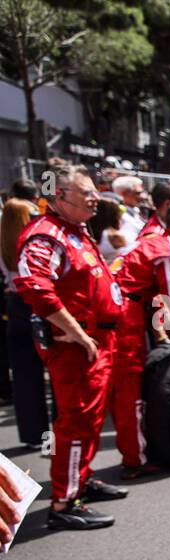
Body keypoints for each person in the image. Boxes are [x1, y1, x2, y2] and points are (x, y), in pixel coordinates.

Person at [14, 164, 129, 530]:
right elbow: (34, 285)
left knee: (92, 418)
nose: (96, 198)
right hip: (78, 347)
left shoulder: (75, 230)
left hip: (97, 342)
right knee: (77, 420)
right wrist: (76, 332)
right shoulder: (47, 235)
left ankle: (82, 480)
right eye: (87, 193)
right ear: (60, 196)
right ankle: (65, 502)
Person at [109, 202, 170, 478]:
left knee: (121, 390)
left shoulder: (149, 240)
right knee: (128, 392)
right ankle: (133, 460)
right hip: (124, 318)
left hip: (121, 312)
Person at [3, 185, 48, 446]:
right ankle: (54, 436)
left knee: (24, 374)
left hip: (14, 302)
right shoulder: (35, 242)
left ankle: (34, 435)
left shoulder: (5, 240)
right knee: (55, 370)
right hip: (35, 302)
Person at [111, 175, 146, 245]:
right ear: (124, 194)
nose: (143, 196)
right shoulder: (119, 216)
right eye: (137, 193)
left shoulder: (138, 212)